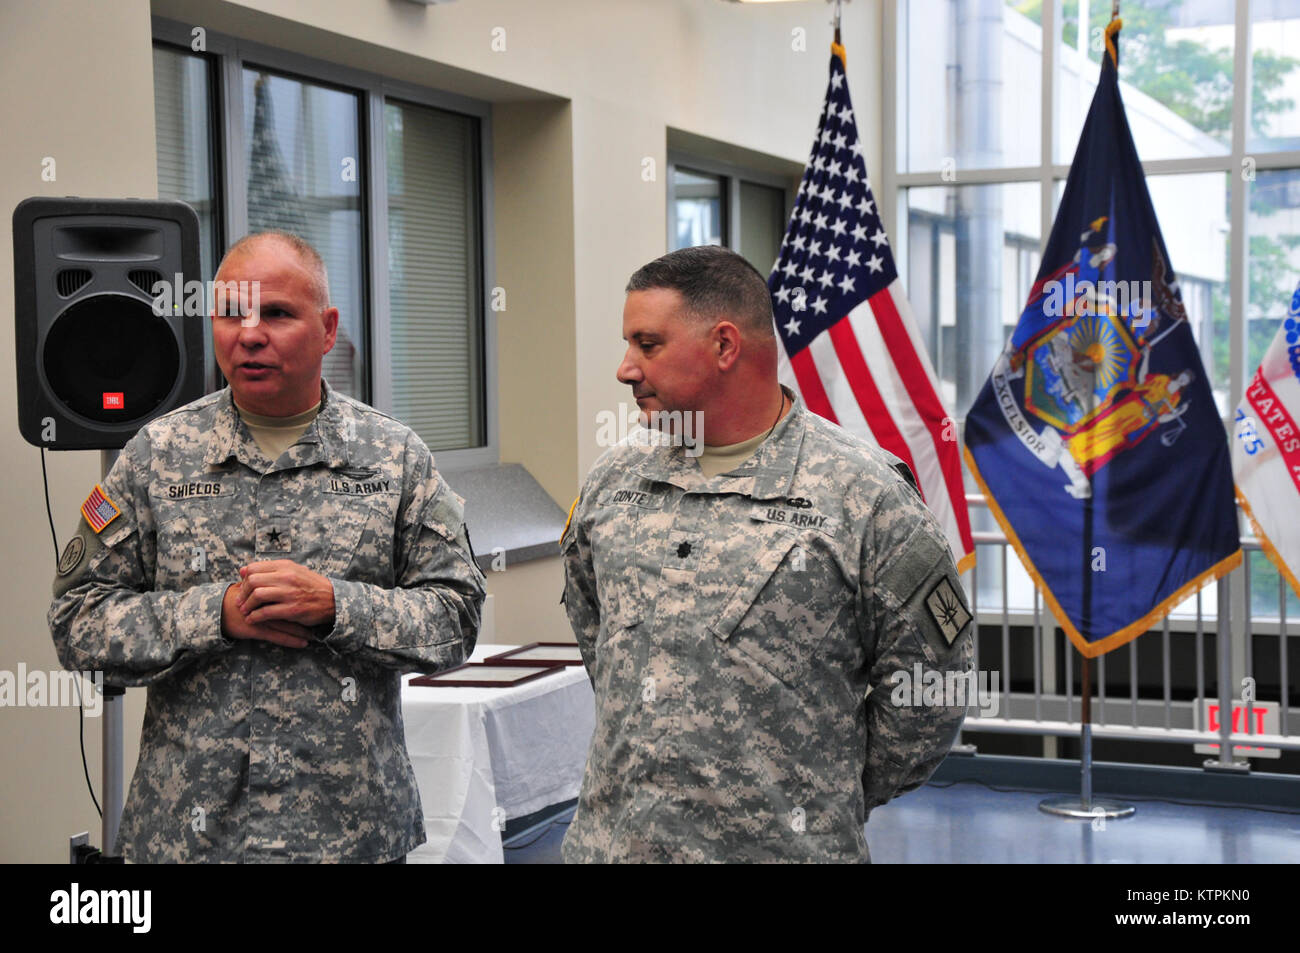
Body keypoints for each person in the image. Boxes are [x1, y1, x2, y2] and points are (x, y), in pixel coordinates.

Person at [49, 231, 485, 863]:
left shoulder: (395, 458)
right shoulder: (154, 457)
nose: (249, 334)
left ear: (328, 329)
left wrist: (338, 606)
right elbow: (76, 622)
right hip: (190, 838)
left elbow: (457, 617)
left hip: (347, 836)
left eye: (277, 313)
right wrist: (213, 616)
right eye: (230, 313)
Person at [560, 245, 974, 863]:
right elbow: (598, 634)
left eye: (648, 345)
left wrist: (823, 788)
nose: (625, 369)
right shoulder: (614, 479)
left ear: (725, 346)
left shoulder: (862, 494)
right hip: (616, 846)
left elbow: (930, 687)